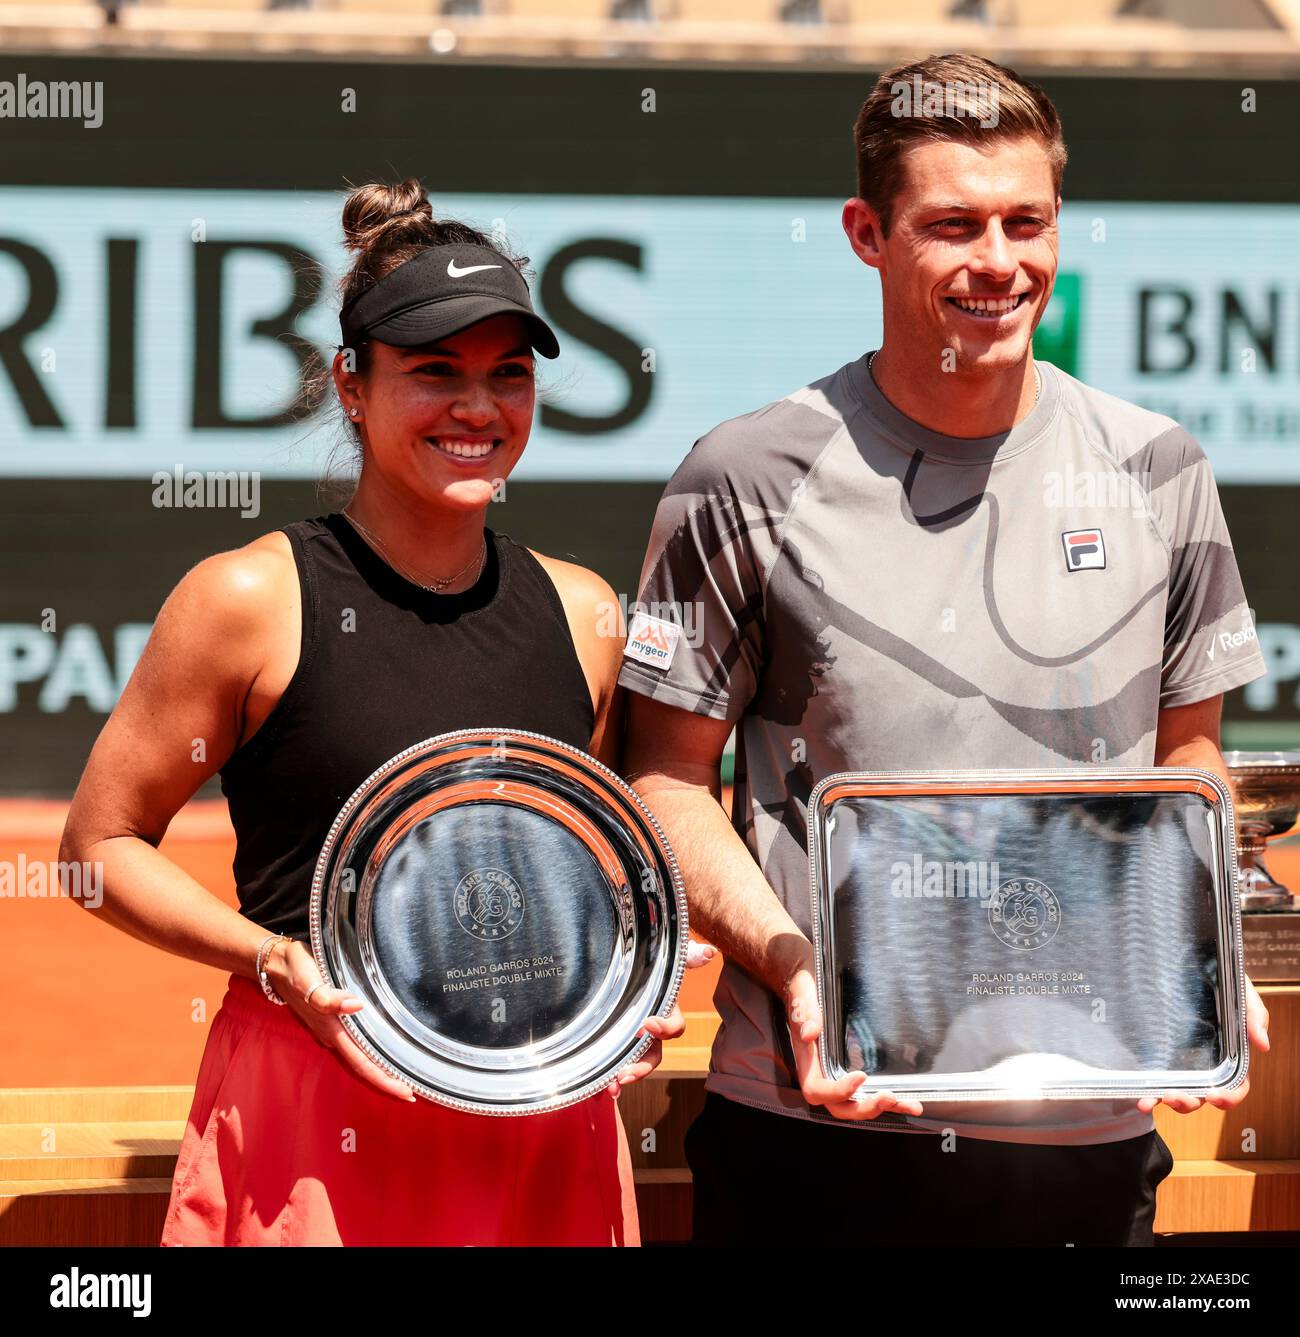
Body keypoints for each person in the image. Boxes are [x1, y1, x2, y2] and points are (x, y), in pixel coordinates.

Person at [618, 53, 1271, 1248]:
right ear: (867, 232)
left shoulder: (1159, 470)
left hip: (1085, 1127)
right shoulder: (745, 474)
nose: (998, 262)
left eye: (1026, 222)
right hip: (813, 1129)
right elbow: (663, 779)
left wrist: (1195, 951)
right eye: (952, 225)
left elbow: (1191, 766)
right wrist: (796, 960)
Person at [59, 178, 696, 1247]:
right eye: (433, 373)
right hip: (314, 1110)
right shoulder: (248, 599)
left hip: (538, 1113)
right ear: (350, 386)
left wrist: (624, 998)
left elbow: (595, 869)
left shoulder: (586, 612)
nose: (477, 408)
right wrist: (275, 961)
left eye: (507, 375)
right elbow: (95, 847)